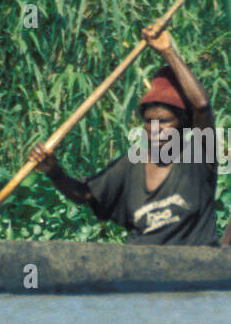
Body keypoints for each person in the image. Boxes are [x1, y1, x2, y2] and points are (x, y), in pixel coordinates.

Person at [30, 27, 218, 245]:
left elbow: (202, 106)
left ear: (184, 124)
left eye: (165, 122)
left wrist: (168, 52)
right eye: (149, 122)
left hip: (194, 272)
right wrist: (54, 171)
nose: (156, 130)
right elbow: (85, 194)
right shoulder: (133, 163)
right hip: (144, 271)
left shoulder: (198, 158)